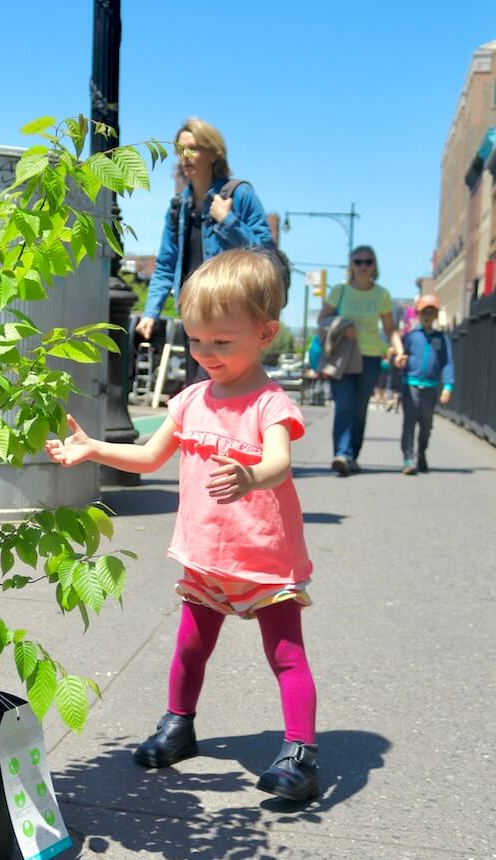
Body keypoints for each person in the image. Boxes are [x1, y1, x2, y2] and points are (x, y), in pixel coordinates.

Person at [47, 249, 319, 802]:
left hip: (263, 556)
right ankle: (179, 724)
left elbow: (278, 462)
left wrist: (250, 477)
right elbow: (149, 458)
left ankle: (300, 751)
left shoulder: (269, 402)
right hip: (204, 555)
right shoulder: (191, 400)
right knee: (190, 648)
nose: (205, 354)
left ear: (266, 333)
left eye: (222, 342)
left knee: (286, 653)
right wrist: (93, 448)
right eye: (196, 341)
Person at [135, 117, 275, 387]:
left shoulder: (240, 194)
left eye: (194, 148)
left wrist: (228, 221)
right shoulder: (179, 206)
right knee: (199, 391)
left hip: (231, 311)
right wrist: (150, 312)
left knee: (227, 389)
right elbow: (165, 264)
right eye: (180, 150)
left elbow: (265, 254)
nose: (185, 156)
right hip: (194, 314)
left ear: (214, 152)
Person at [318, 246, 405, 476]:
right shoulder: (340, 291)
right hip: (344, 357)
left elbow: (390, 328)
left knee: (359, 409)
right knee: (344, 405)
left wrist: (399, 349)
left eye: (368, 262)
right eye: (358, 262)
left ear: (374, 265)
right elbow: (322, 318)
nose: (363, 266)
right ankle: (342, 454)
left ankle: (352, 455)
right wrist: (344, 325)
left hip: (371, 357)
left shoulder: (382, 294)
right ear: (351, 266)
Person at [398, 295, 454, 474]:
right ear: (418, 314)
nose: (427, 316)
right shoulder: (411, 336)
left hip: (431, 386)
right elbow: (399, 356)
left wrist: (448, 386)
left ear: (436, 315)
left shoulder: (442, 339)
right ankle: (408, 458)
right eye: (424, 312)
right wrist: (397, 359)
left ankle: (421, 452)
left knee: (426, 424)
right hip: (411, 384)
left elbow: (448, 362)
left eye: (431, 312)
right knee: (409, 423)